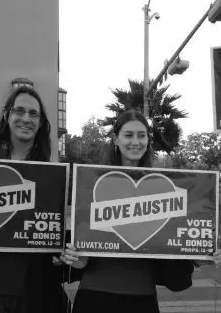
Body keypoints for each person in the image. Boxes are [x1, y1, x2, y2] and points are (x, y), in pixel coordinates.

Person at [60, 110, 221, 313]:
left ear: (148, 141)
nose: (135, 141)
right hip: (95, 298)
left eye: (141, 135)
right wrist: (73, 256)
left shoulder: (164, 187)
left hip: (142, 300)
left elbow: (173, 243)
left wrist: (200, 249)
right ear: (115, 140)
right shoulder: (91, 184)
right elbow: (79, 258)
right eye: (128, 135)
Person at [0, 85, 69, 313]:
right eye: (20, 111)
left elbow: (56, 227)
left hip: (34, 290)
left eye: (33, 114)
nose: (26, 119)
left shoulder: (50, 174)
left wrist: (60, 252)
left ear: (40, 123)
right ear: (8, 114)